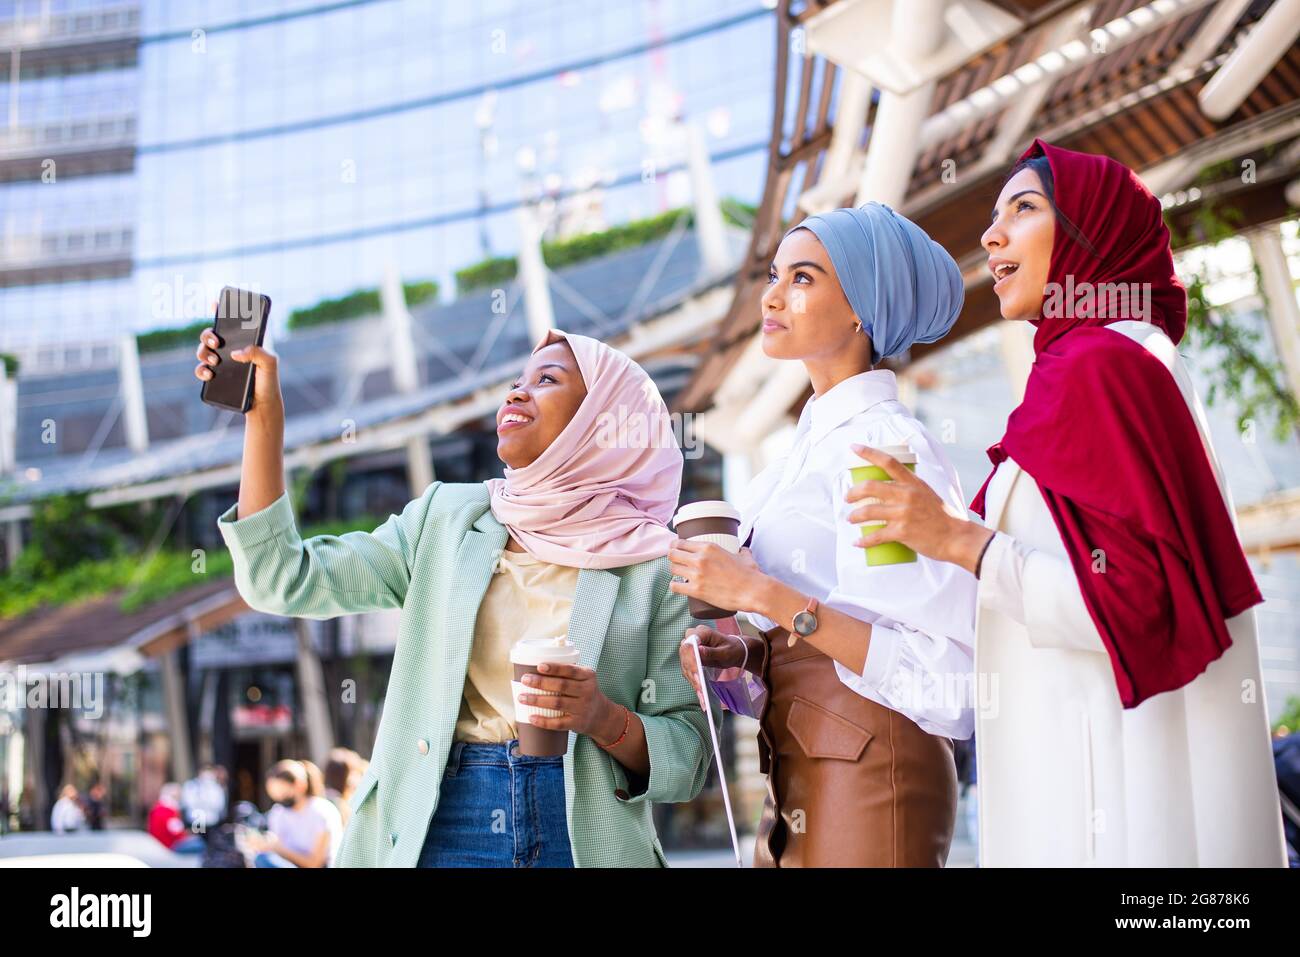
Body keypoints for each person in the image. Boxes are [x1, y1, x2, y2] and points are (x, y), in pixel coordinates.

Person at [842, 139, 1288, 866]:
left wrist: (960, 539)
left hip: (1109, 816)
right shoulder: (1125, 360)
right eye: (993, 215)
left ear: (1093, 232)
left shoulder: (1102, 367)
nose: (990, 235)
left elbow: (1141, 604)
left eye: (1024, 209)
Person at [204, 325, 714, 867]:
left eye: (546, 379)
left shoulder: (656, 564)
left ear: (602, 419)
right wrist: (264, 420)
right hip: (440, 822)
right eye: (517, 381)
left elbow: (687, 759)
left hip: (585, 835)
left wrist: (602, 718)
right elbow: (281, 575)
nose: (516, 393)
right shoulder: (446, 520)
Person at [672, 202, 974, 866]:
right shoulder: (792, 462)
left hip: (869, 768)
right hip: (800, 768)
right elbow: (802, 651)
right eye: (775, 274)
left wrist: (763, 592)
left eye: (803, 278)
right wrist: (737, 657)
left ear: (862, 307)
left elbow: (937, 669)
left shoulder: (882, 448)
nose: (773, 294)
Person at [247, 760, 343, 868]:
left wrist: (279, 849)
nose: (280, 799)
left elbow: (315, 864)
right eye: (276, 795)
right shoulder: (278, 812)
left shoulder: (322, 810)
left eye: (284, 793)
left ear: (299, 785)